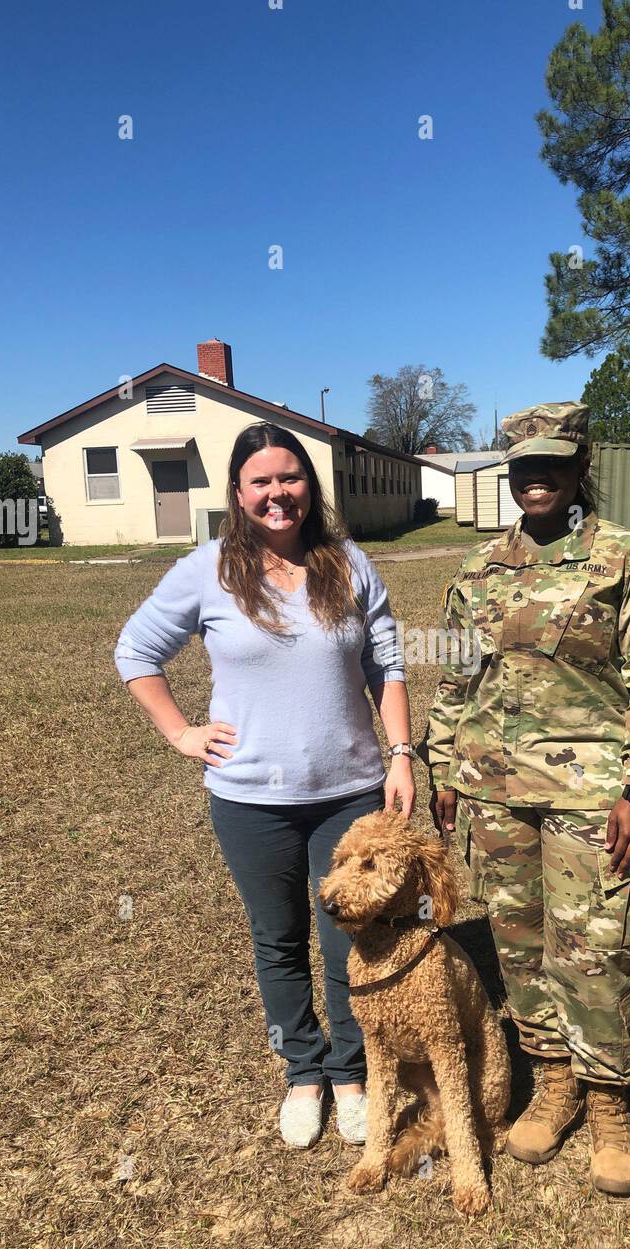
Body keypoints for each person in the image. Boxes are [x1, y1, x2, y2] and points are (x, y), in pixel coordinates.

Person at [114, 422, 415, 1151]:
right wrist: (182, 733)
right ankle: (302, 1073)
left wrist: (401, 751)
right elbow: (135, 650)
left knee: (352, 938)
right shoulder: (207, 569)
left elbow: (386, 660)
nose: (278, 493)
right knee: (276, 939)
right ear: (239, 492)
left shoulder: (345, 562)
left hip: (348, 791)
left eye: (290, 477)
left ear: (309, 485)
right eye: (261, 481)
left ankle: (351, 1074)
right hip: (250, 801)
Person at [425, 402, 630, 1196]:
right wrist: (443, 768)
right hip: (493, 789)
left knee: (595, 943)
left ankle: (610, 1099)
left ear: (580, 469)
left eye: (553, 462)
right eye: (522, 465)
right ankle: (553, 1082)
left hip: (590, 791)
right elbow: (454, 675)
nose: (535, 476)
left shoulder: (624, 558)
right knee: (519, 943)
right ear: (509, 472)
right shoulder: (477, 569)